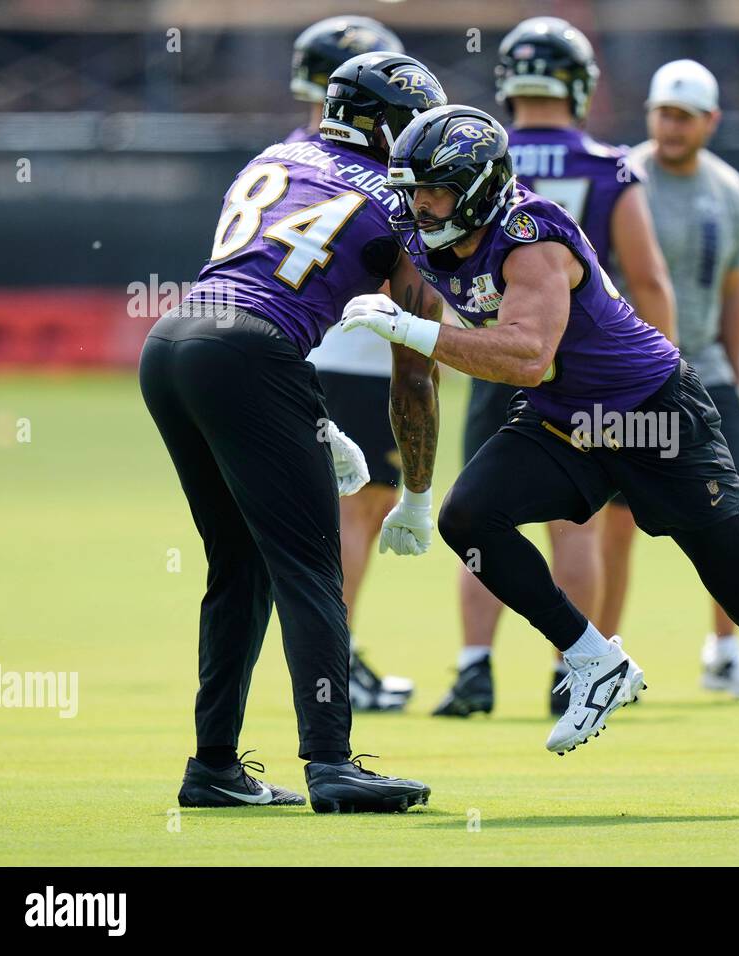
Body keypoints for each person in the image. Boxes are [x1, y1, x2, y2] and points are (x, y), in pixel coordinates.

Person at [342, 104, 739, 812]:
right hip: (567, 423)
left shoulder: (530, 237)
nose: (419, 205)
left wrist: (415, 330)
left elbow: (529, 356)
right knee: (469, 516)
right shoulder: (426, 238)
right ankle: (594, 659)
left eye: (434, 190)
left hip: (654, 419)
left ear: (477, 188)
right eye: (413, 190)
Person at [140, 53, 443, 813]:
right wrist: (417, 488)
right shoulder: (401, 208)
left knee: (237, 567)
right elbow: (414, 373)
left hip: (174, 339)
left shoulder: (274, 154)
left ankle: (213, 766)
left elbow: (257, 275)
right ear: (388, 123)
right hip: (254, 353)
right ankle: (333, 764)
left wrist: (306, 412)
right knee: (310, 565)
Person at [434, 16, 676, 718]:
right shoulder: (608, 166)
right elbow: (649, 279)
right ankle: (571, 670)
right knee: (575, 526)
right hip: (587, 378)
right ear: (578, 85)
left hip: (496, 358)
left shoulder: (476, 160)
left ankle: (473, 668)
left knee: (479, 515)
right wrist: (659, 382)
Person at [597, 59, 739, 698]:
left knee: (736, 507)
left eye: (684, 116)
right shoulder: (622, 176)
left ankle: (724, 651)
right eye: (662, 113)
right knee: (617, 519)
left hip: (708, 370)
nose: (670, 127)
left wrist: (737, 369)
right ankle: (603, 657)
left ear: (710, 121)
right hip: (631, 374)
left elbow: (734, 283)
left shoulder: (728, 187)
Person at [288, 14, 418, 711]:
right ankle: (334, 664)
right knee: (356, 515)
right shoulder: (372, 168)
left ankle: (332, 658)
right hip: (360, 353)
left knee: (318, 516)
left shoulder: (291, 154)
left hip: (293, 350)